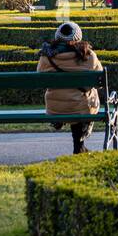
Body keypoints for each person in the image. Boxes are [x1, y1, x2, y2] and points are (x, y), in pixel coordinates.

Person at [38, 22, 104, 155]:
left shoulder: (46, 55)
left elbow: (40, 78)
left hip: (54, 107)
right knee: (88, 94)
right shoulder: (88, 55)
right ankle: (80, 143)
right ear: (77, 37)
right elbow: (99, 80)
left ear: (58, 37)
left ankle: (61, 124)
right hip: (80, 107)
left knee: (69, 95)